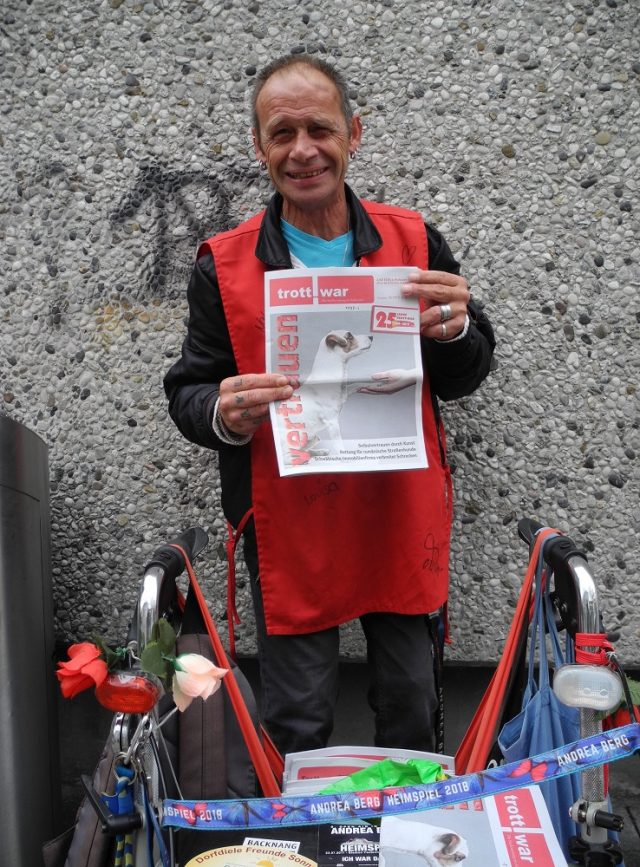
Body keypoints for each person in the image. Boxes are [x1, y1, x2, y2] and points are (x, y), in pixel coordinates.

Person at [164, 54, 495, 757]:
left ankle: (409, 844)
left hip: (398, 508)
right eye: (282, 133)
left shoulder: (414, 240)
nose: (303, 149)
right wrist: (224, 410)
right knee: (297, 721)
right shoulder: (220, 265)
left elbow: (466, 373)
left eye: (320, 128)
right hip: (290, 523)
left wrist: (459, 330)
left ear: (354, 133)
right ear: (260, 148)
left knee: (412, 706)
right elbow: (188, 390)